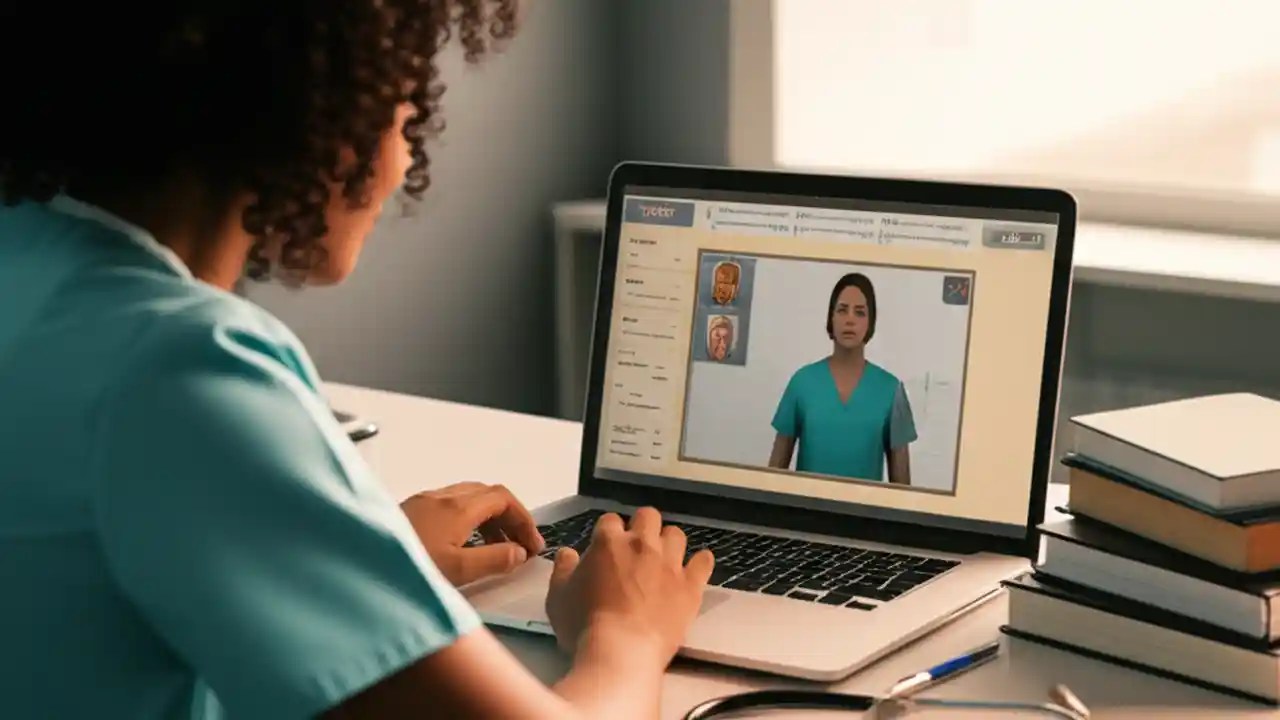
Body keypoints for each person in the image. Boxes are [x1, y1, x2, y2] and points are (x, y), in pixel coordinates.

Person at [0, 4, 713, 719]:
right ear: (314, 96)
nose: (406, 157)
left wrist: (357, 571)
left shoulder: (26, 269)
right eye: (403, 101)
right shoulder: (182, 368)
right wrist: (626, 631)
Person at [767, 273, 917, 485]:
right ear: (831, 318)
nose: (850, 320)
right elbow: (774, 474)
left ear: (870, 321)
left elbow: (902, 488)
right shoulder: (802, 383)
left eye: (860, 312)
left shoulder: (892, 391)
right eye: (842, 310)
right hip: (805, 515)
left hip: (865, 516)